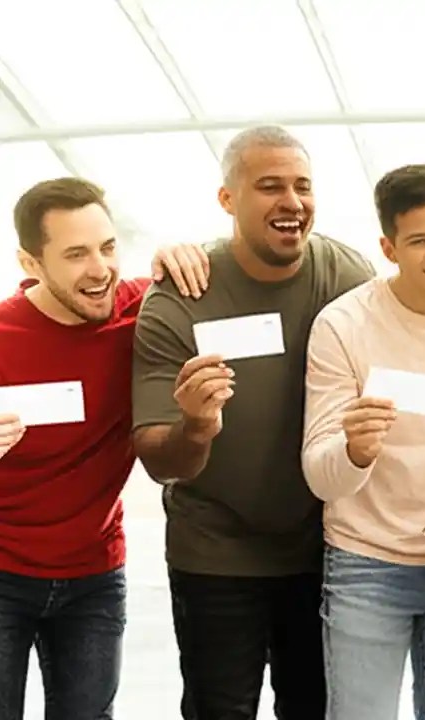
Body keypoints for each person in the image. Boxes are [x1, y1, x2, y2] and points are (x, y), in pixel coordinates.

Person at [130, 126, 376, 719]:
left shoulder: (346, 275)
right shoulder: (180, 297)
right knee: (220, 710)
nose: (291, 201)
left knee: (315, 707)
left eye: (302, 186)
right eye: (269, 186)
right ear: (227, 200)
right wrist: (195, 427)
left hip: (322, 548)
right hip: (215, 555)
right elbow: (158, 460)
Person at [301, 163, 425, 720]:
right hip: (366, 564)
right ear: (389, 248)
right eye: (420, 241)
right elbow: (320, 473)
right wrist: (354, 450)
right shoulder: (342, 325)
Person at [0, 176, 210, 720]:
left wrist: (187, 252)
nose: (100, 269)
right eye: (76, 254)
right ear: (30, 263)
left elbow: (241, 282)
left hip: (94, 576)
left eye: (108, 247)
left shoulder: (142, 310)